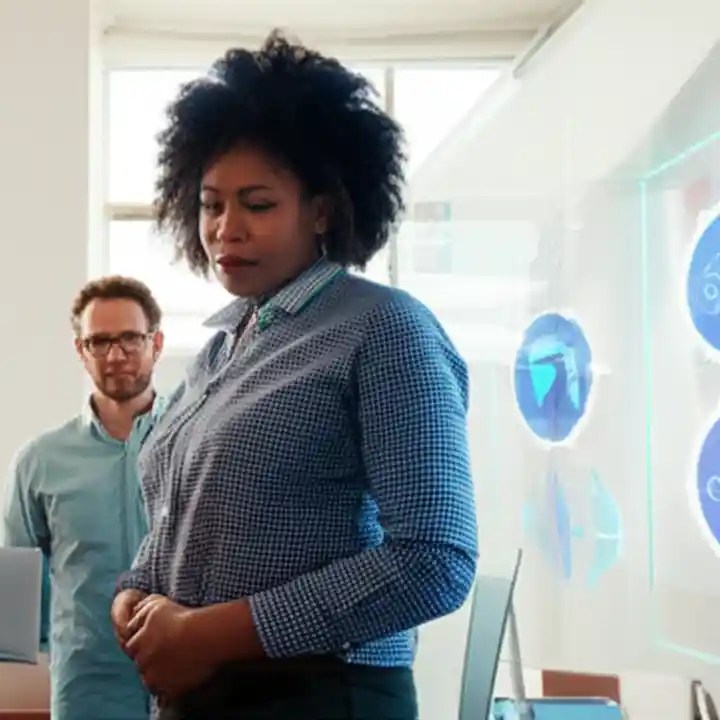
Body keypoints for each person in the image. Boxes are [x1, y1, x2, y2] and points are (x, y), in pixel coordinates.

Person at [110, 34, 478, 719]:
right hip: (200, 697)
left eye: (257, 204)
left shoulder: (384, 328)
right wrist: (133, 593)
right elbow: (182, 522)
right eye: (211, 205)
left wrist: (209, 634)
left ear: (322, 209)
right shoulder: (224, 346)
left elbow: (434, 559)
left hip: (320, 697)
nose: (226, 229)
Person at [5, 276, 165, 720]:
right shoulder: (39, 460)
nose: (116, 356)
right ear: (80, 350)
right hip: (87, 684)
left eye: (130, 339)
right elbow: (24, 574)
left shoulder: (196, 441)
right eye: (99, 342)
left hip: (190, 674)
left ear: (157, 343)